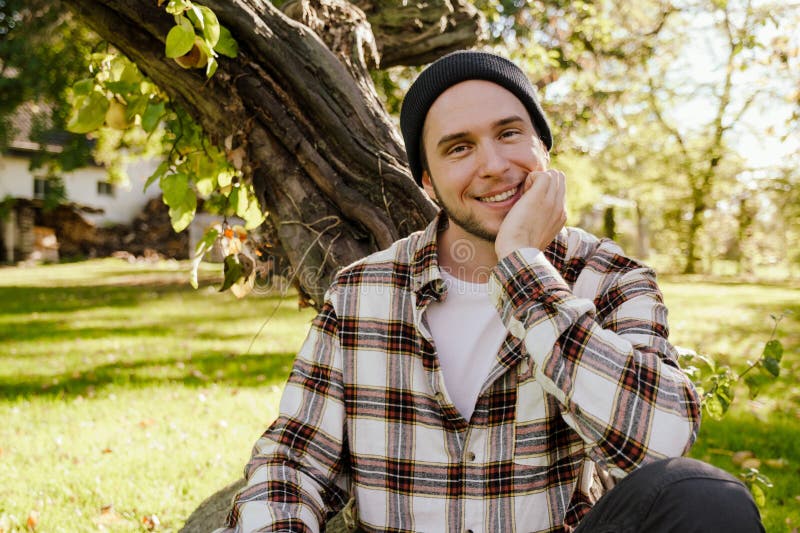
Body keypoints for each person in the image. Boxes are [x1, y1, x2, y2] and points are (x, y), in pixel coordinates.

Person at [221, 50, 764, 532]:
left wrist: (523, 268)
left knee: (707, 499)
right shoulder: (364, 291)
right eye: (459, 148)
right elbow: (292, 463)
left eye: (508, 133)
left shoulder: (611, 278)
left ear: (542, 146)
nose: (494, 165)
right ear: (427, 182)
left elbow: (661, 445)